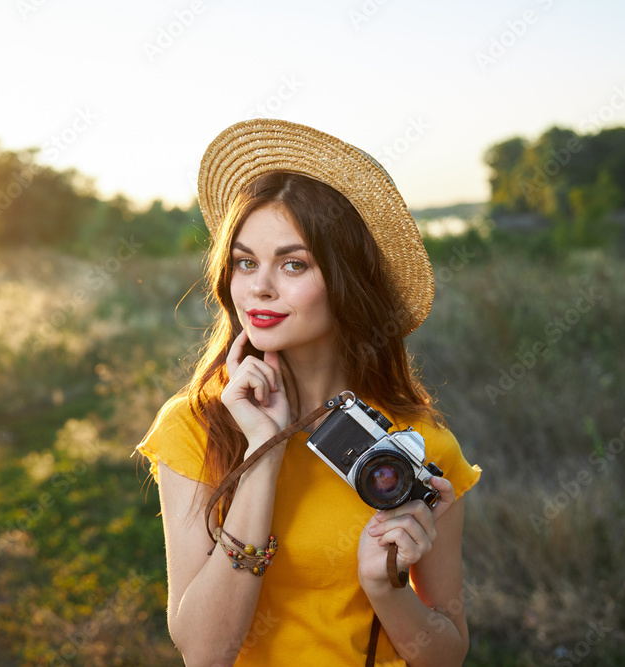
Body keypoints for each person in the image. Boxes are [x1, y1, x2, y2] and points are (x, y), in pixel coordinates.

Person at [136, 119, 481, 666]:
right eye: (245, 262)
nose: (259, 286)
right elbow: (204, 652)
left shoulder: (417, 446)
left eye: (293, 264)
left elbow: (447, 654)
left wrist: (387, 589)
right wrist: (264, 453)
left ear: (347, 281)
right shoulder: (194, 426)